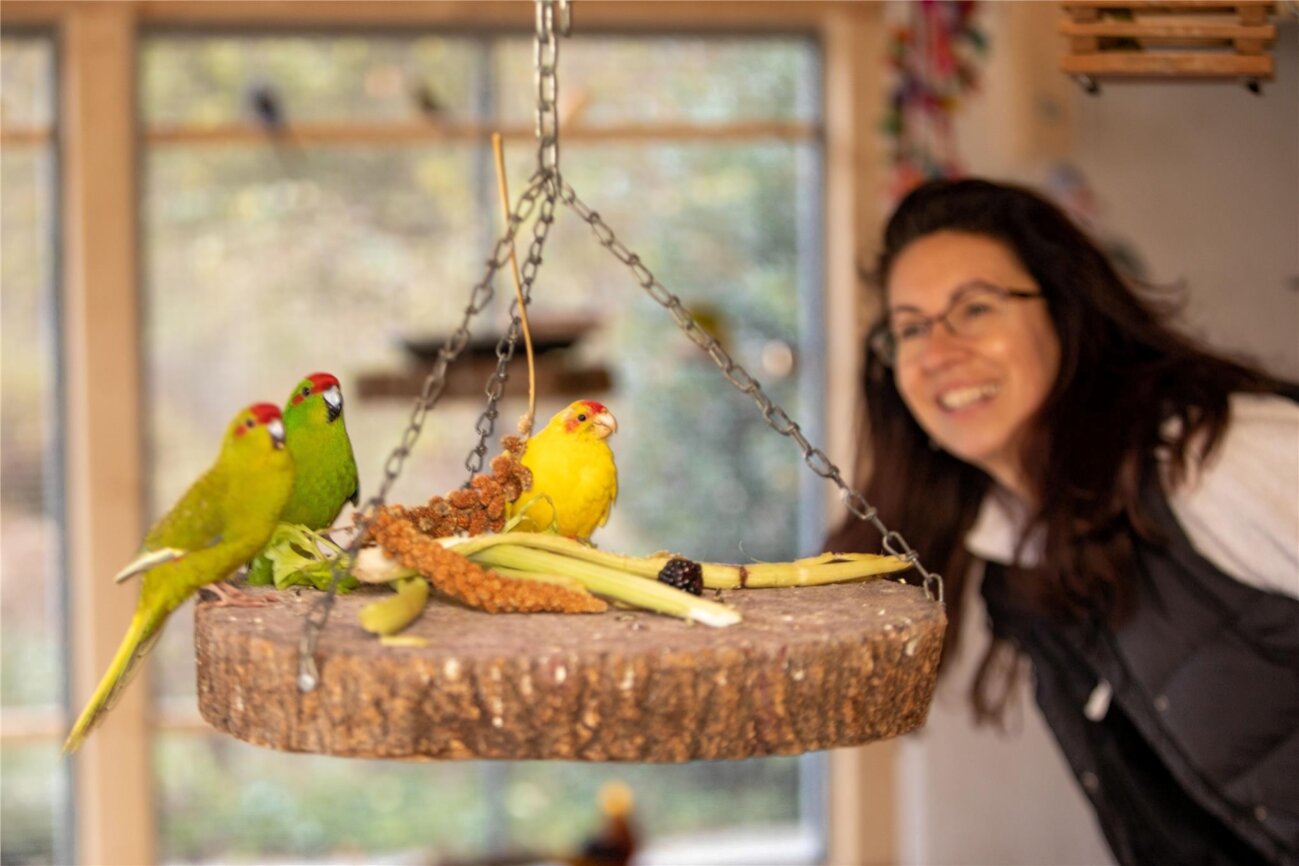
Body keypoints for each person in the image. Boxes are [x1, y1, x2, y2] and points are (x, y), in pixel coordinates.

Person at [828, 178, 1299, 866]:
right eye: (909, 327)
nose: (937, 351)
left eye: (975, 308)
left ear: (1067, 312)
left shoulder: (1214, 458)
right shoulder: (1003, 542)